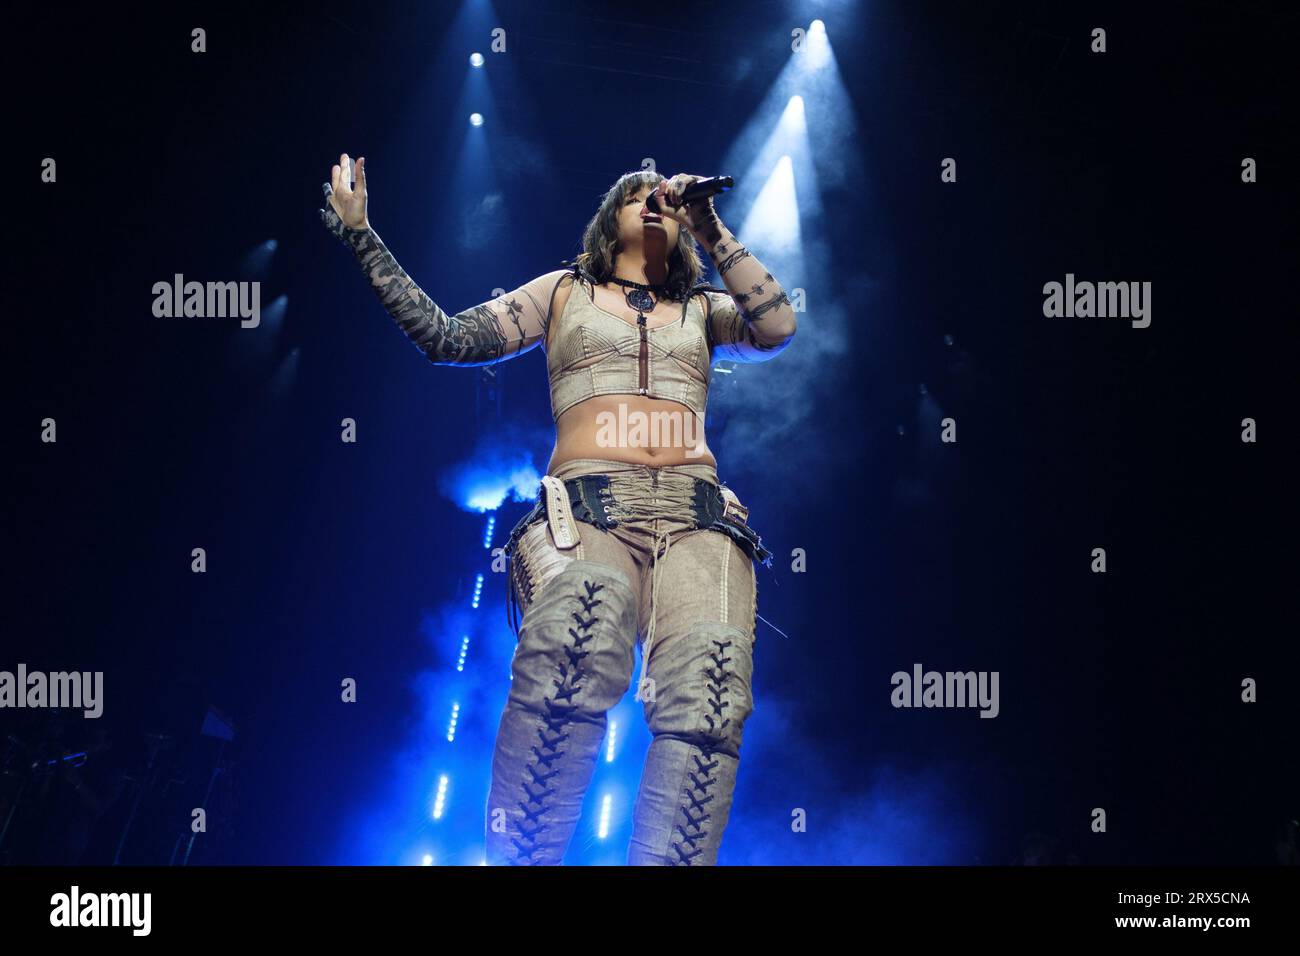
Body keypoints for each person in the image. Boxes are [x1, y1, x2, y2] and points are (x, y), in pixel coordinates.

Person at [320, 154, 797, 865]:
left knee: (710, 698)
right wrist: (362, 233)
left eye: (665, 197)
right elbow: (446, 337)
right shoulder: (564, 292)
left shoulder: (703, 309)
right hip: (592, 508)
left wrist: (710, 221)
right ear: (611, 220)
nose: (654, 201)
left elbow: (778, 324)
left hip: (698, 519)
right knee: (574, 651)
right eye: (638, 195)